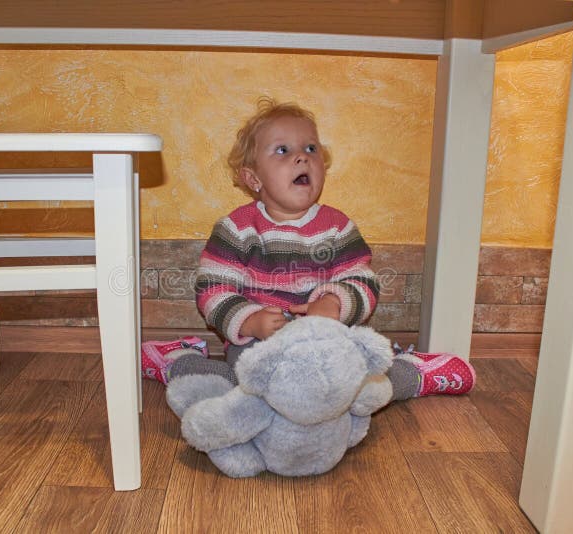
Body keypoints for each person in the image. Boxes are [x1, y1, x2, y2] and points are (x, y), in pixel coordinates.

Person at [159, 97, 474, 400]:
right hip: (259, 345)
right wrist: (250, 320)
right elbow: (212, 289)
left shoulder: (337, 227)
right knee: (240, 385)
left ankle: (413, 373)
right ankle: (180, 360)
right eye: (282, 150)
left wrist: (334, 304)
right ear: (253, 178)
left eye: (311, 148)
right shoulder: (236, 229)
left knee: (362, 386)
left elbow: (363, 280)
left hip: (326, 342)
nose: (301, 157)